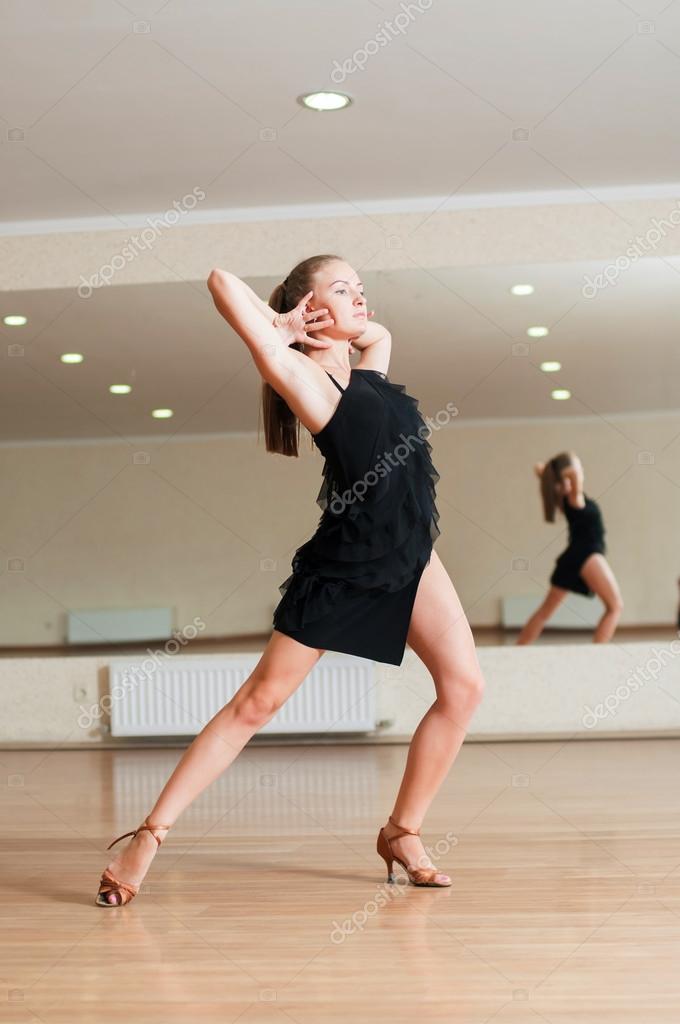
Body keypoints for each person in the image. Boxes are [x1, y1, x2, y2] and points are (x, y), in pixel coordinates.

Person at [95, 254, 485, 906]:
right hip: (345, 564)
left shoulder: (371, 371)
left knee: (465, 688)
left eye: (362, 286)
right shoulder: (299, 376)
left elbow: (378, 333)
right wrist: (282, 327)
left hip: (413, 553)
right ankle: (149, 835)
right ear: (306, 307)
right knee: (258, 704)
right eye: (342, 288)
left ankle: (401, 832)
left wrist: (340, 313)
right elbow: (219, 278)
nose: (360, 297)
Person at [516, 451, 623, 644]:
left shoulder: (564, 498)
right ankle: (598, 652)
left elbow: (545, 474)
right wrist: (568, 471)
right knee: (615, 607)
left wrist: (547, 471)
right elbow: (573, 476)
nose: (581, 470)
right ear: (569, 477)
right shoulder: (574, 498)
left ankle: (519, 647)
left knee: (544, 612)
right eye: (578, 466)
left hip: (574, 558)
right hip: (587, 555)